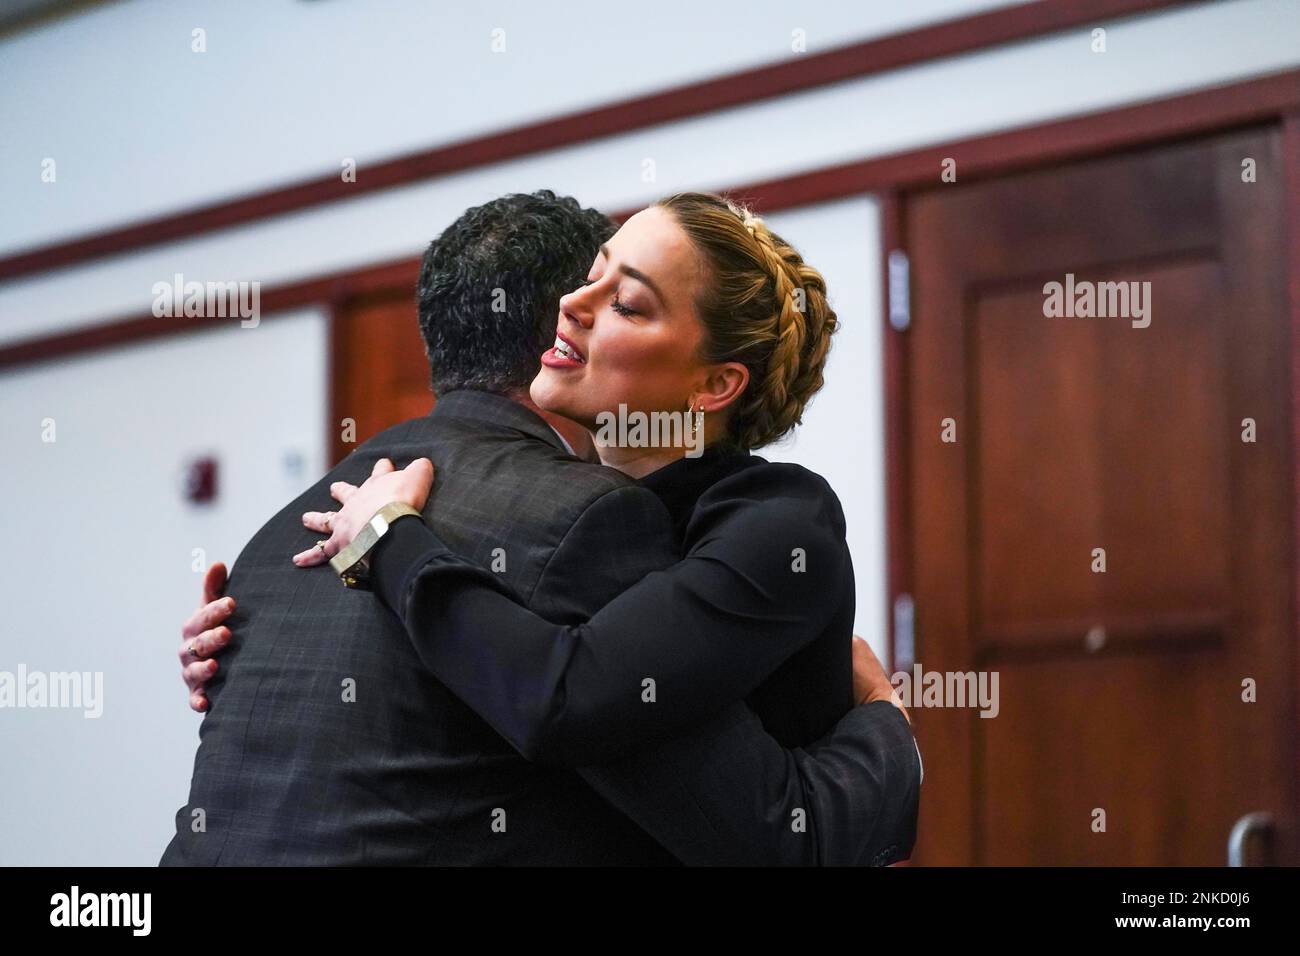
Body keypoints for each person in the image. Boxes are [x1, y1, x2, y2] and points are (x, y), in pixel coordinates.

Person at [169, 190, 920, 866]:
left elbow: (576, 699)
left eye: (626, 303)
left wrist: (886, 725)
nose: (575, 305)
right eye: (589, 275)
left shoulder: (291, 527)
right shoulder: (568, 511)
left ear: (716, 384)